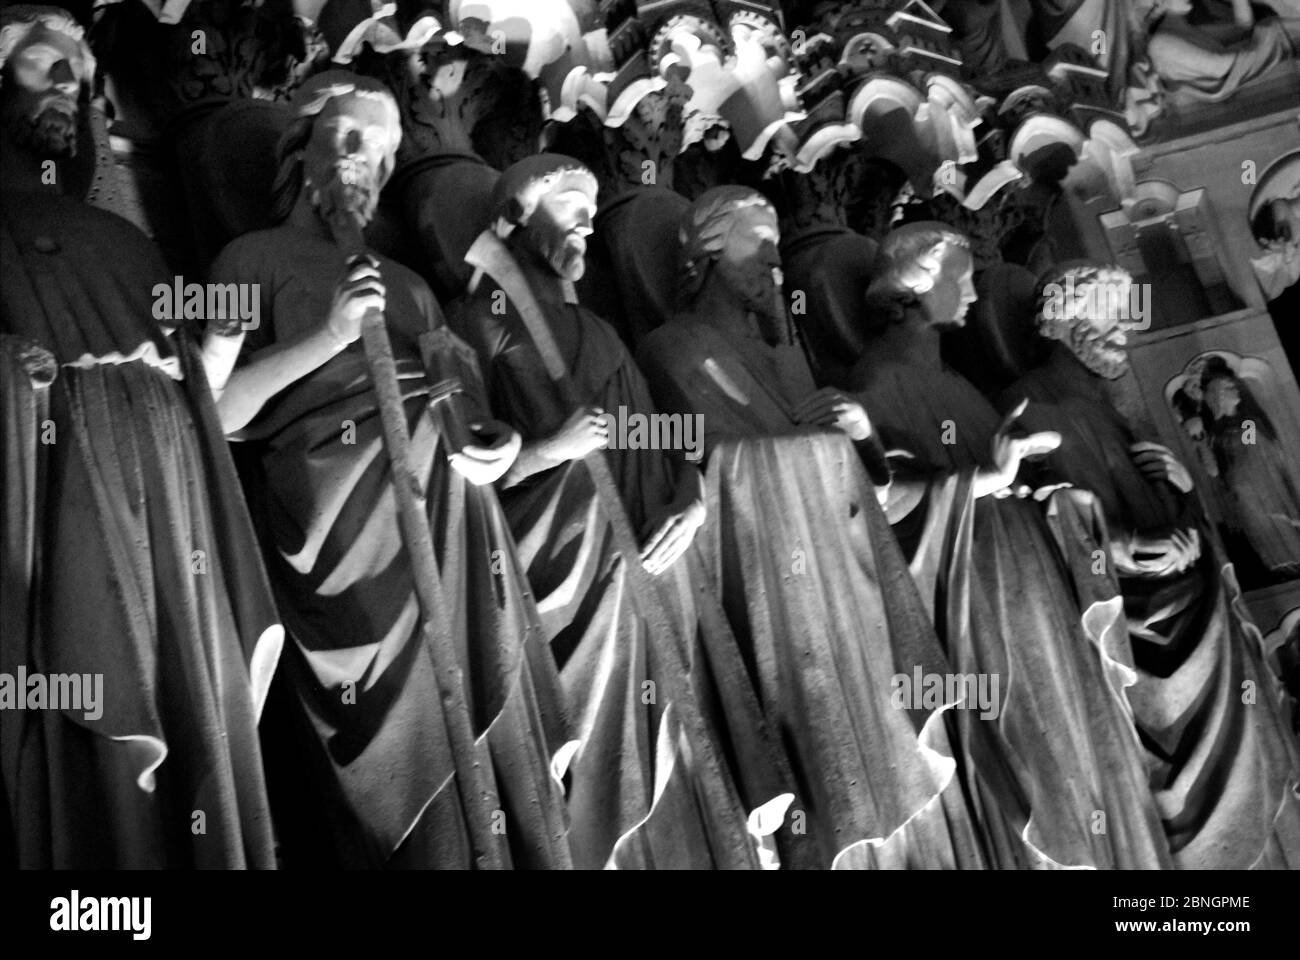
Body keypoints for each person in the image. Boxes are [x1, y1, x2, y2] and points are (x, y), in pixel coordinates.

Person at [209, 72, 571, 869]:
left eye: (376, 147)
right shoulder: (251, 257)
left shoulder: (410, 287)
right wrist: (333, 334)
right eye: (341, 135)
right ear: (300, 152)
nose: (357, 157)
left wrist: (499, 445)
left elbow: (470, 413)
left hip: (453, 518)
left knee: (494, 742)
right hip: (346, 525)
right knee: (402, 759)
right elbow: (219, 409)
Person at [449, 156, 793, 869]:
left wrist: (691, 494)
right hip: (563, 583)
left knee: (682, 756)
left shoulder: (602, 331)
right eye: (569, 206)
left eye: (588, 211)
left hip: (653, 571)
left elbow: (655, 433)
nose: (584, 223)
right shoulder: (480, 319)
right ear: (519, 217)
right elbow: (463, 467)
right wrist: (552, 450)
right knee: (598, 781)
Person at [0, 5, 281, 868]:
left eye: (78, 79)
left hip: (176, 514)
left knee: (200, 731)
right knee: (106, 771)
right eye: (47, 67)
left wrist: (215, 350)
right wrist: (27, 376)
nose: (68, 88)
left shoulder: (125, 236)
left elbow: (204, 389)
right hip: (65, 500)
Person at [638, 187, 993, 868]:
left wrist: (859, 438)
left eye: (777, 242)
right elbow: (695, 453)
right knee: (821, 763)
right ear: (708, 251)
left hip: (841, 579)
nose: (774, 259)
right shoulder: (674, 345)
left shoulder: (788, 355)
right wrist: (805, 456)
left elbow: (869, 492)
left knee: (884, 741)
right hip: (771, 581)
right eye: (757, 241)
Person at [847, 223, 1173, 869]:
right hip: (980, 599)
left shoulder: (958, 386)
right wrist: (986, 480)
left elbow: (1002, 474)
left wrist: (1055, 495)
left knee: (1081, 733)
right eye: (958, 277)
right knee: (1036, 747)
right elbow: (878, 502)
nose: (970, 291)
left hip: (1030, 583)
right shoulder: (882, 379)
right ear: (915, 285)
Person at [1004, 263, 1300, 867]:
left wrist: (1186, 505)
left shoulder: (1107, 410)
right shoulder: (1029, 403)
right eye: (1111, 319)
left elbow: (1159, 517)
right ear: (1065, 322)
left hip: (1190, 616)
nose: (1124, 335)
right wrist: (1121, 550)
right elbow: (1035, 528)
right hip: (1133, 643)